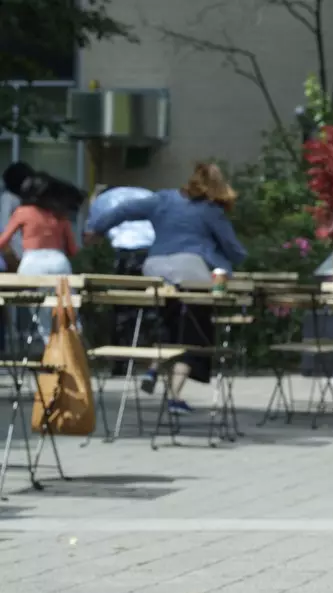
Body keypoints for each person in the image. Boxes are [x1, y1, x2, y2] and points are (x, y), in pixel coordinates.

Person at [88, 162, 247, 416]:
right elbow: (232, 248)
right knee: (194, 334)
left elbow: (125, 209)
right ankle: (174, 397)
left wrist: (96, 228)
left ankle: (153, 367)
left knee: (169, 325)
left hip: (154, 267)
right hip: (190, 269)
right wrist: (236, 258)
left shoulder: (162, 199)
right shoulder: (210, 210)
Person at [86, 184, 156, 371]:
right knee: (153, 307)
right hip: (156, 253)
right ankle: (152, 361)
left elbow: (92, 236)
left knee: (122, 306)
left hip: (127, 254)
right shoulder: (145, 192)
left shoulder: (101, 201)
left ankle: (121, 363)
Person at [0, 179, 79, 344]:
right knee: (69, 311)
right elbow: (73, 250)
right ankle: (72, 352)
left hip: (32, 264)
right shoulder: (60, 214)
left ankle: (50, 350)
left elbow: (3, 242)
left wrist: (13, 258)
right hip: (59, 262)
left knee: (41, 313)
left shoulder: (23, 212)